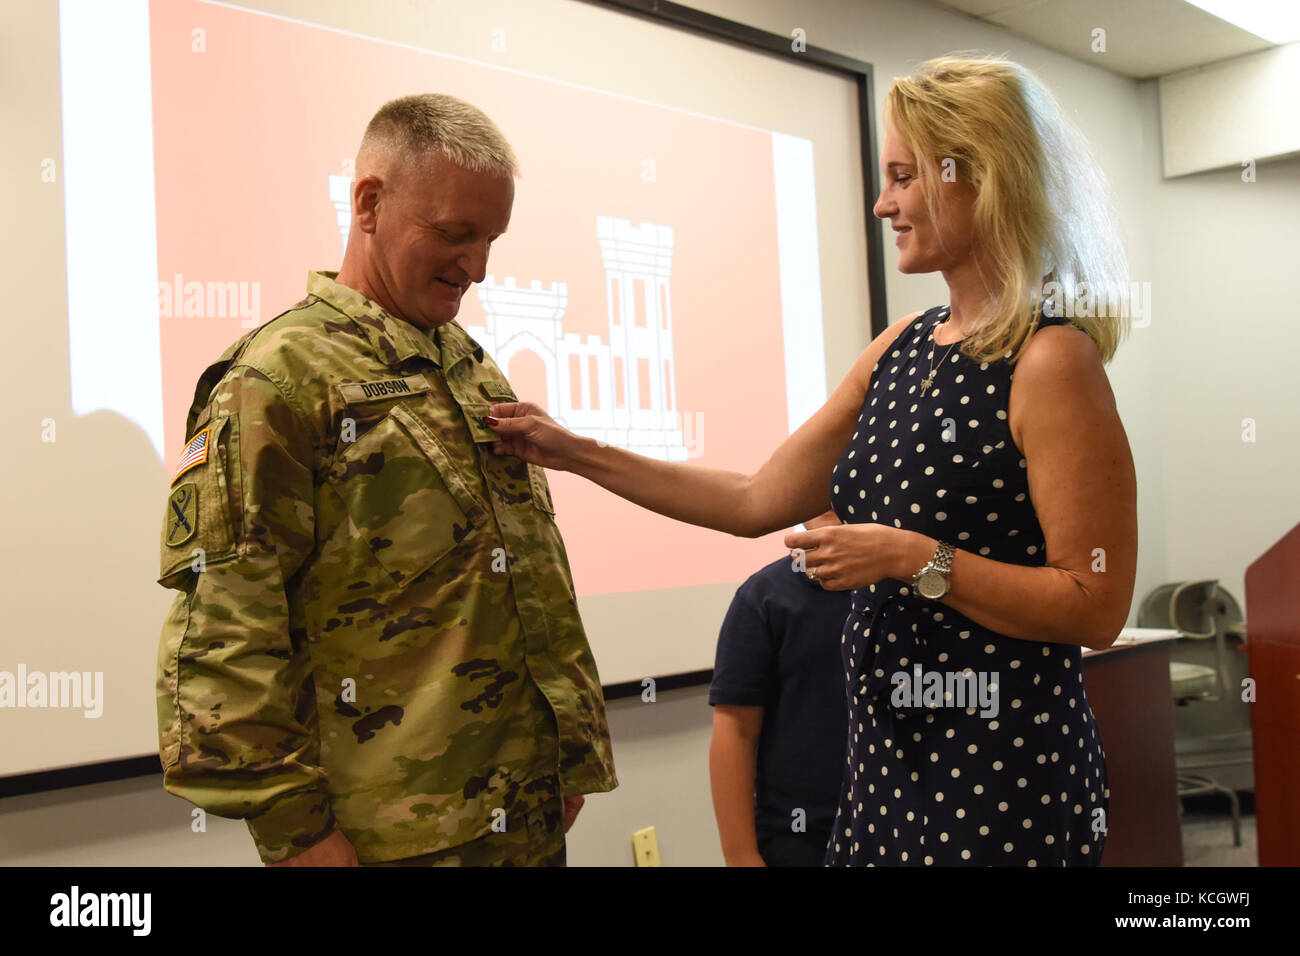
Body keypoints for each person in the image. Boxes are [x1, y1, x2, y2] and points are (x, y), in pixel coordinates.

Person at [485, 54, 1138, 866]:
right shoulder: (900, 348)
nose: (882, 203)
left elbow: (1096, 602)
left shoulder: (1052, 361)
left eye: (903, 178)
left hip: (999, 780)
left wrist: (913, 559)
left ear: (976, 176)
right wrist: (571, 449)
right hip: (882, 777)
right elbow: (754, 497)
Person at [154, 93, 617, 867]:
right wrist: (295, 832)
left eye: (491, 239)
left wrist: (564, 749)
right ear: (369, 202)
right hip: (388, 843)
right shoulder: (277, 379)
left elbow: (522, 579)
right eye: (454, 233)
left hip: (521, 822)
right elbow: (226, 635)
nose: (476, 266)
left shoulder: (469, 367)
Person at [709, 508, 850, 867]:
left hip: (902, 826)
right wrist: (741, 855)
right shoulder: (765, 596)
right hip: (799, 838)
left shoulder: (911, 587)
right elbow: (735, 730)